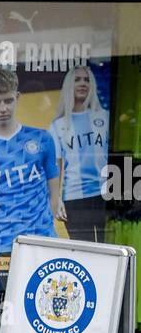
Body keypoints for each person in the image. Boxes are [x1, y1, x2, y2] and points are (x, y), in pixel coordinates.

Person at [0, 66, 65, 253]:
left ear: (17, 97)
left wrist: (42, 231)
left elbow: (54, 197)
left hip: (42, 244)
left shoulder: (42, 139)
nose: (3, 108)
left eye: (8, 100)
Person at [49, 64, 109, 242]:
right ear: (69, 85)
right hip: (75, 199)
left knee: (110, 251)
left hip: (106, 196)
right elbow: (56, 167)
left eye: (87, 80)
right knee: (85, 253)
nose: (83, 83)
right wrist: (56, 199)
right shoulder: (57, 126)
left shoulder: (105, 117)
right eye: (77, 80)